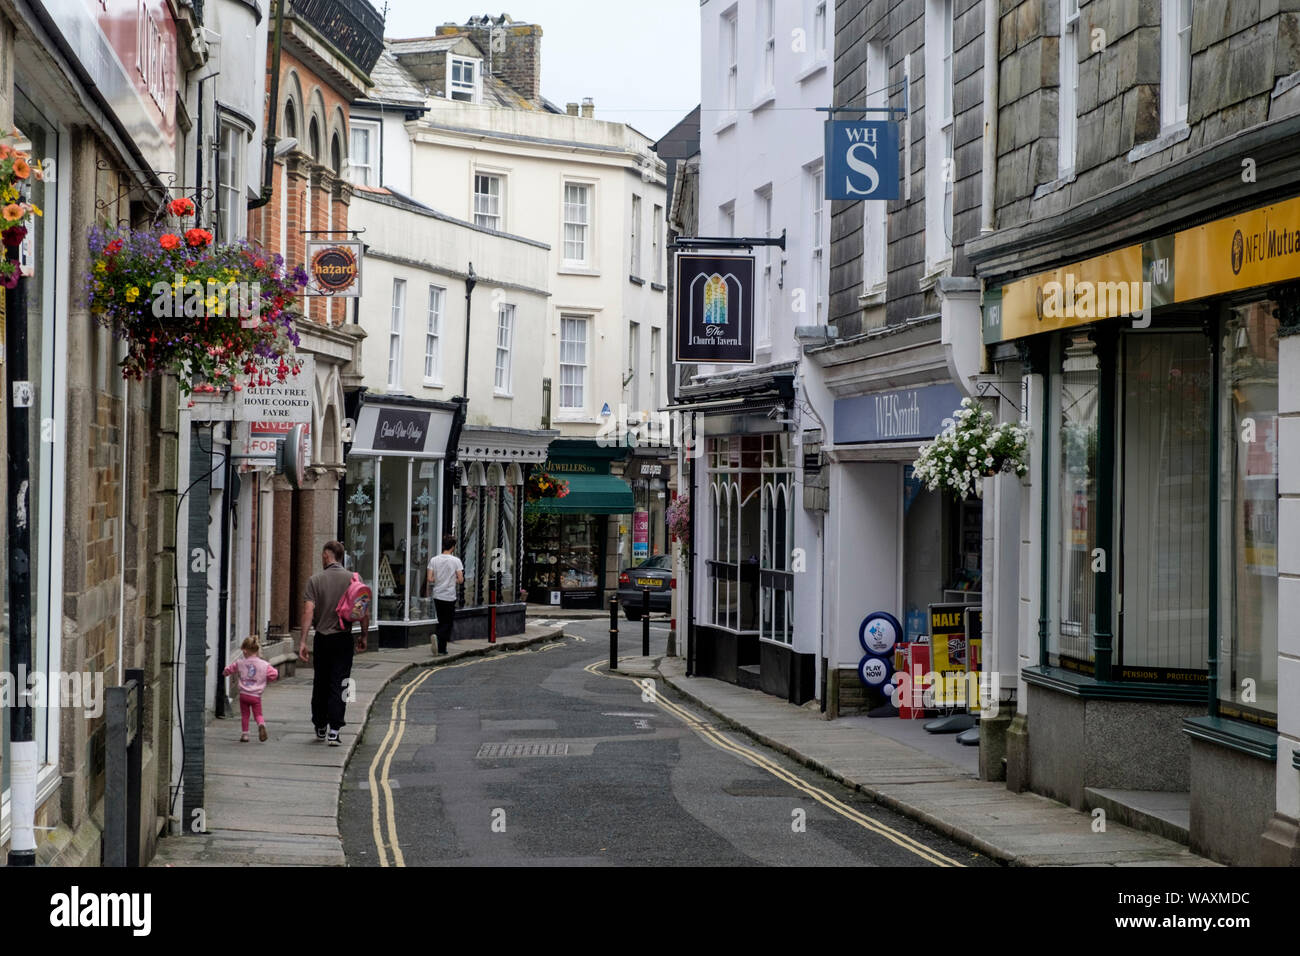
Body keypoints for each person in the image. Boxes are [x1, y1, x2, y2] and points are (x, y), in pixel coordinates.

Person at [299, 540, 369, 746]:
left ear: (326, 556)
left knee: (321, 682)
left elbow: (308, 611)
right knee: (342, 683)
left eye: (322, 555)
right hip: (344, 639)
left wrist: (303, 641)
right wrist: (364, 636)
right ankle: (335, 730)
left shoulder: (315, 580)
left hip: (323, 639)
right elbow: (363, 611)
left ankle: (320, 725)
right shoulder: (354, 579)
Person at [223, 636, 278, 742]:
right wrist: (266, 679)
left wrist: (225, 673)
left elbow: (229, 669)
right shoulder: (264, 665)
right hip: (256, 696)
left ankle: (245, 735)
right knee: (258, 714)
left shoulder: (240, 663)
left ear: (245, 650)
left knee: (245, 715)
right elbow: (274, 674)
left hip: (244, 695)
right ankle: (261, 725)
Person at [427, 534, 465, 655]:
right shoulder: (456, 561)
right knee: (447, 623)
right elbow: (461, 579)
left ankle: (441, 649)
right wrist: (452, 579)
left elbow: (430, 579)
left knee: (441, 620)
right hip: (449, 595)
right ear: (453, 547)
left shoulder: (434, 560)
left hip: (438, 595)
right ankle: (438, 638)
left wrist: (440, 579)